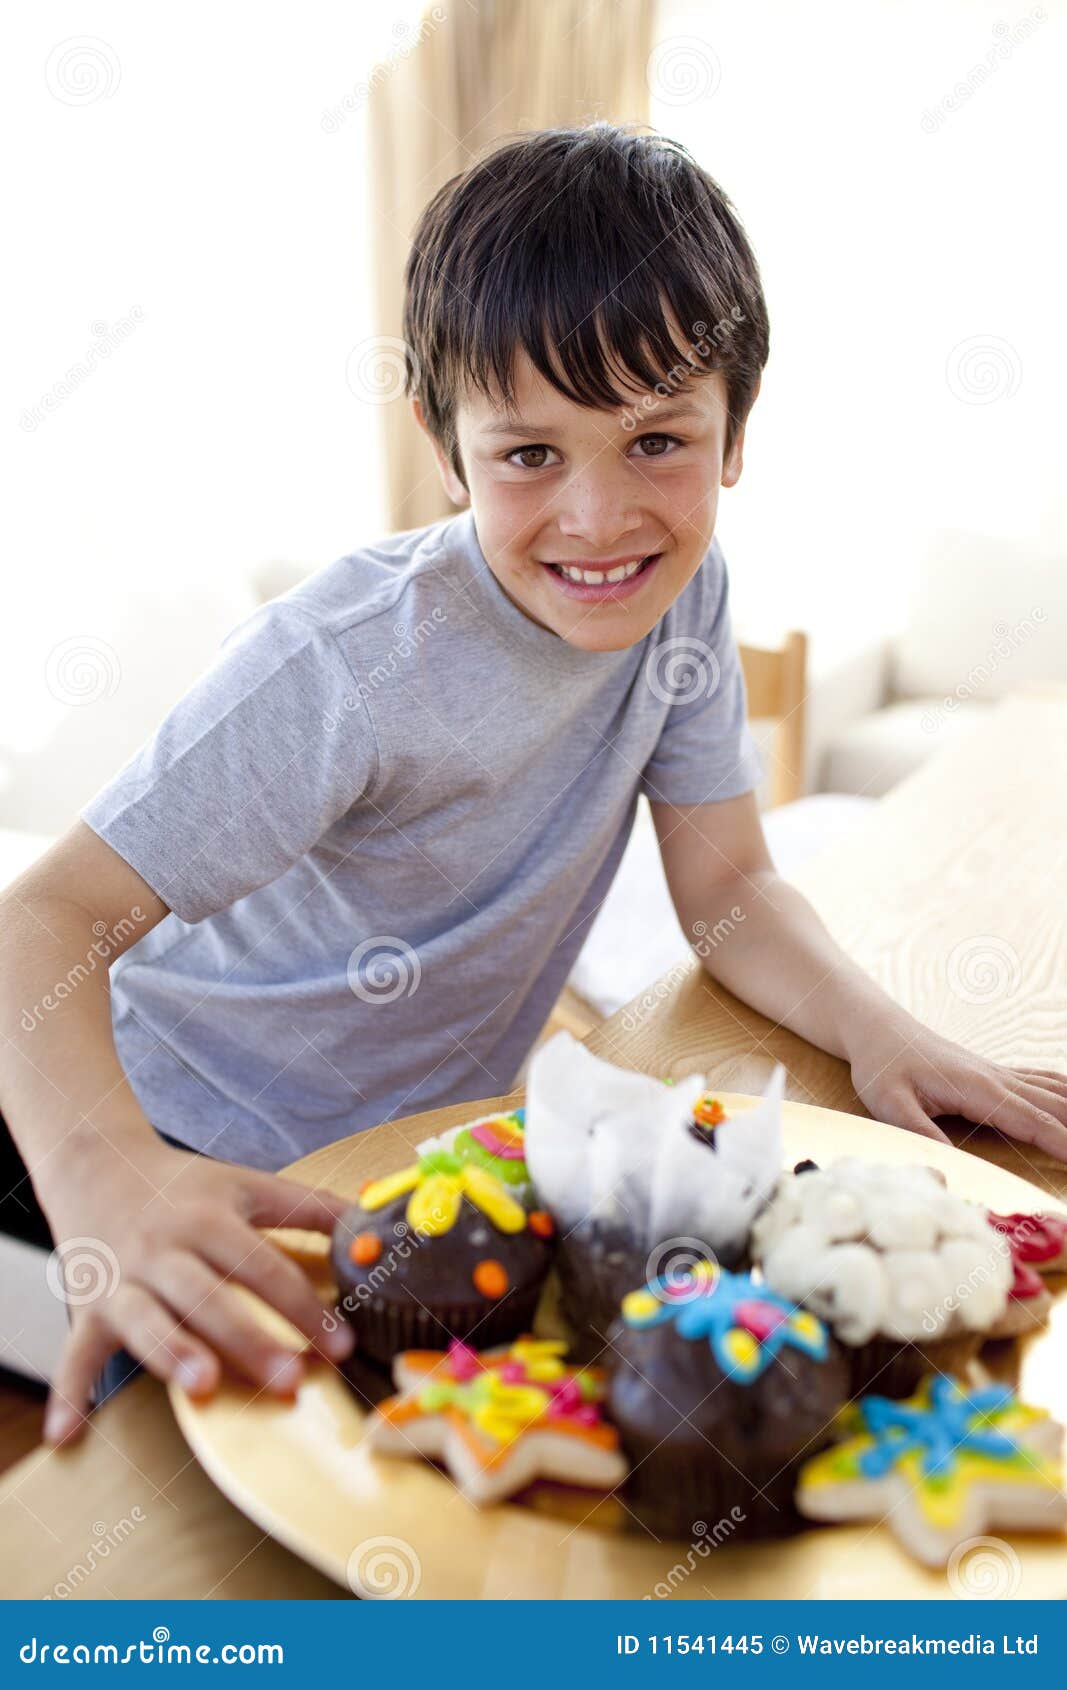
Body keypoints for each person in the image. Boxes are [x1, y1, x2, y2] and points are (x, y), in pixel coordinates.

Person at [3, 122, 1066, 1447]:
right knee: (194, 1523)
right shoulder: (342, 662)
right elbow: (32, 924)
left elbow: (728, 884)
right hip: (193, 1152)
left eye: (658, 441)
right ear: (444, 448)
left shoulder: (690, 598)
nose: (601, 519)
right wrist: (112, 1172)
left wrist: (885, 1030)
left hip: (417, 1169)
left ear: (736, 431)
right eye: (529, 455)